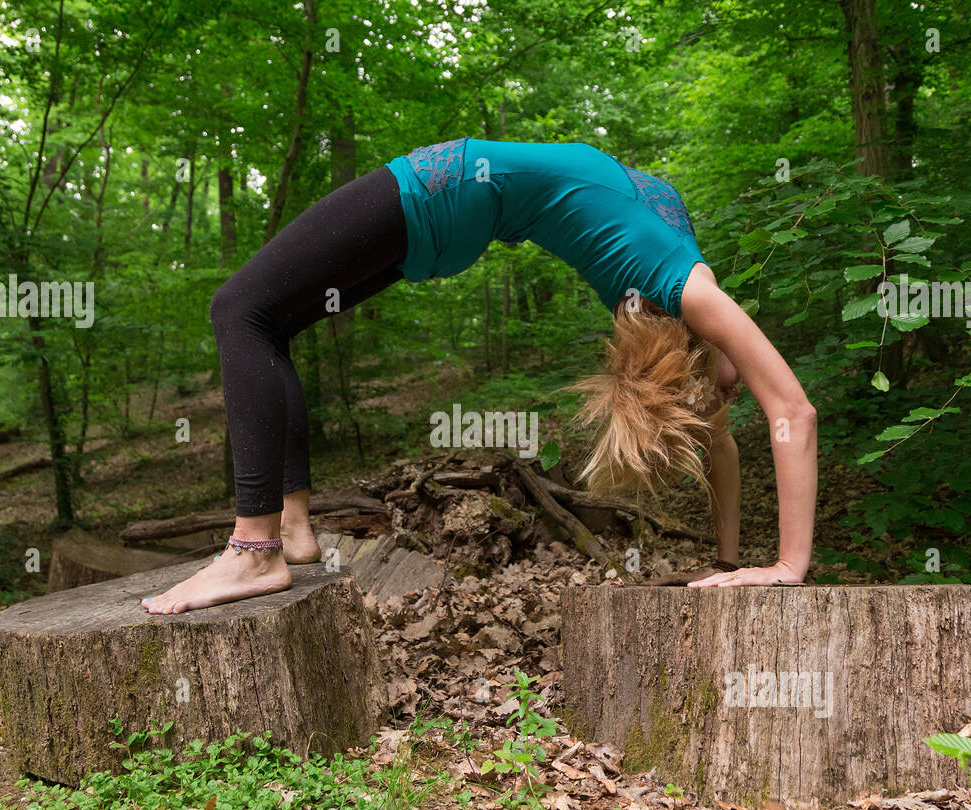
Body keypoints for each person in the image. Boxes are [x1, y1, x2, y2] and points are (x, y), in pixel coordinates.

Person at [142, 138, 817, 614]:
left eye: (717, 393)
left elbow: (777, 418)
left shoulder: (679, 292)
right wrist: (751, 564)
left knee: (238, 310)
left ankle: (253, 548)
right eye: (725, 389)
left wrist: (772, 568)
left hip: (458, 187)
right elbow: (783, 412)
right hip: (464, 202)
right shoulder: (688, 287)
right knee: (268, 324)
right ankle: (288, 528)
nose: (735, 390)